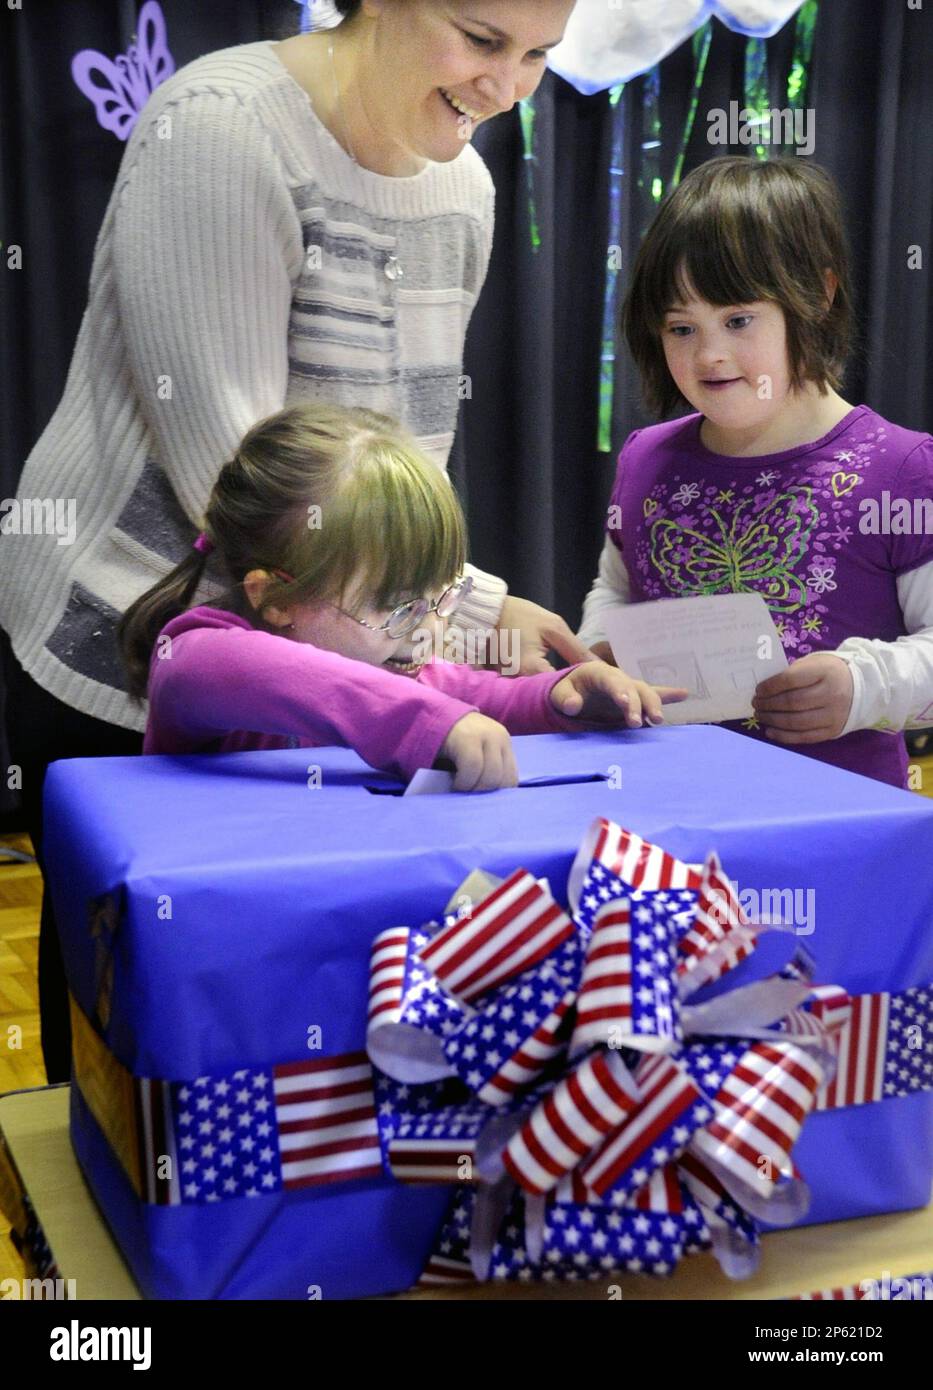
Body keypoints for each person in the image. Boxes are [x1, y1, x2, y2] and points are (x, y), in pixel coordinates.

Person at [0, 0, 586, 1080]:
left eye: (541, 54)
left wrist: (474, 608)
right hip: (132, 629)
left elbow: (401, 455)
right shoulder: (224, 130)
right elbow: (230, 470)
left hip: (327, 630)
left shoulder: (465, 186)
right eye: (483, 38)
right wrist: (461, 615)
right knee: (125, 1008)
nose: (510, 85)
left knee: (284, 995)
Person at [579, 156, 933, 789]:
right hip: (664, 809)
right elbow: (616, 590)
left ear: (819, 296)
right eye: (681, 328)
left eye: (738, 319)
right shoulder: (645, 458)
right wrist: (599, 653)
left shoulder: (902, 469)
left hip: (835, 823)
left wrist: (862, 687)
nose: (709, 355)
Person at [119, 404, 687, 782]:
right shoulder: (196, 658)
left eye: (441, 598)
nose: (427, 629)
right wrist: (429, 724)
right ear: (274, 598)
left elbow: (481, 697)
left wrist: (563, 696)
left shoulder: (399, 664)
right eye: (396, 605)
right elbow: (289, 678)